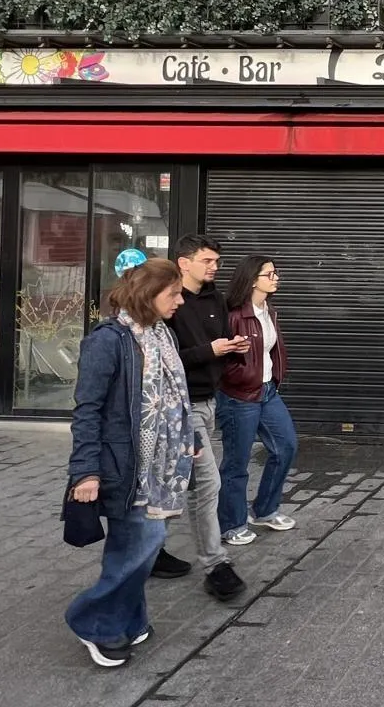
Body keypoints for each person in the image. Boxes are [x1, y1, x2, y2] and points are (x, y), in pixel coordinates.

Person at [65, 258, 196, 668]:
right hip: (126, 468)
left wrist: (188, 440)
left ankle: (130, 619)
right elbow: (88, 410)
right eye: (172, 293)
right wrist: (85, 471)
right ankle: (93, 622)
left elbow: (175, 398)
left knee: (139, 546)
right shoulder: (108, 341)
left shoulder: (161, 335)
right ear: (147, 294)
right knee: (139, 547)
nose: (180, 300)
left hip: (162, 466)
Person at [160, 234, 249, 600]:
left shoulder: (216, 298)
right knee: (208, 484)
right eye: (207, 261)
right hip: (183, 407)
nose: (214, 267)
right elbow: (165, 360)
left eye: (216, 262)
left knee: (175, 484)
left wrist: (232, 349)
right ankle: (216, 565)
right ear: (184, 262)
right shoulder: (166, 302)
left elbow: (219, 344)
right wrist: (208, 351)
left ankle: (147, 549)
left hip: (210, 402)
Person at [217, 255, 298, 546]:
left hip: (266, 392)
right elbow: (222, 356)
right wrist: (238, 377)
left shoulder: (267, 311)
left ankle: (264, 509)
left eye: (276, 272)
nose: (276, 278)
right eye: (270, 273)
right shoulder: (235, 314)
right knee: (236, 463)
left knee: (286, 446)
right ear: (253, 279)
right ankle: (231, 524)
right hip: (239, 396)